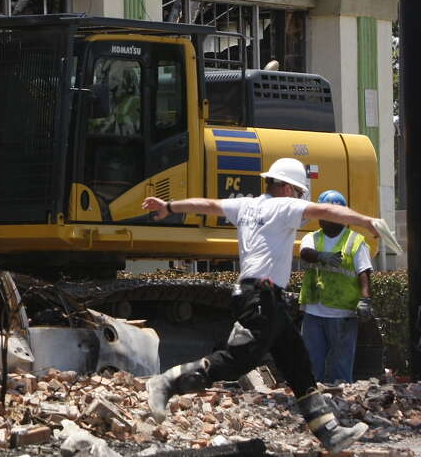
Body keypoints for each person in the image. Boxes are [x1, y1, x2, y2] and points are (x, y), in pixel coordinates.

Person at [139, 157, 396, 454]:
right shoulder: (283, 207)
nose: (300, 198)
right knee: (238, 360)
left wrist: (169, 207)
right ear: (286, 188)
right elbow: (326, 209)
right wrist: (366, 221)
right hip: (262, 297)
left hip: (262, 296)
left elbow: (206, 205)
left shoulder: (246, 206)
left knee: (297, 363)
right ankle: (166, 383)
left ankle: (329, 432)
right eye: (299, 192)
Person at [299, 189, 373, 385]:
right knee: (311, 366)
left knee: (340, 367)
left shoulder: (355, 241)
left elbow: (364, 272)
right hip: (314, 311)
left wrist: (365, 300)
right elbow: (305, 252)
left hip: (342, 314)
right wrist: (321, 256)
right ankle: (313, 399)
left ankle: (342, 405)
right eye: (322, 214)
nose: (324, 219)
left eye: (329, 214)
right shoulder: (313, 238)